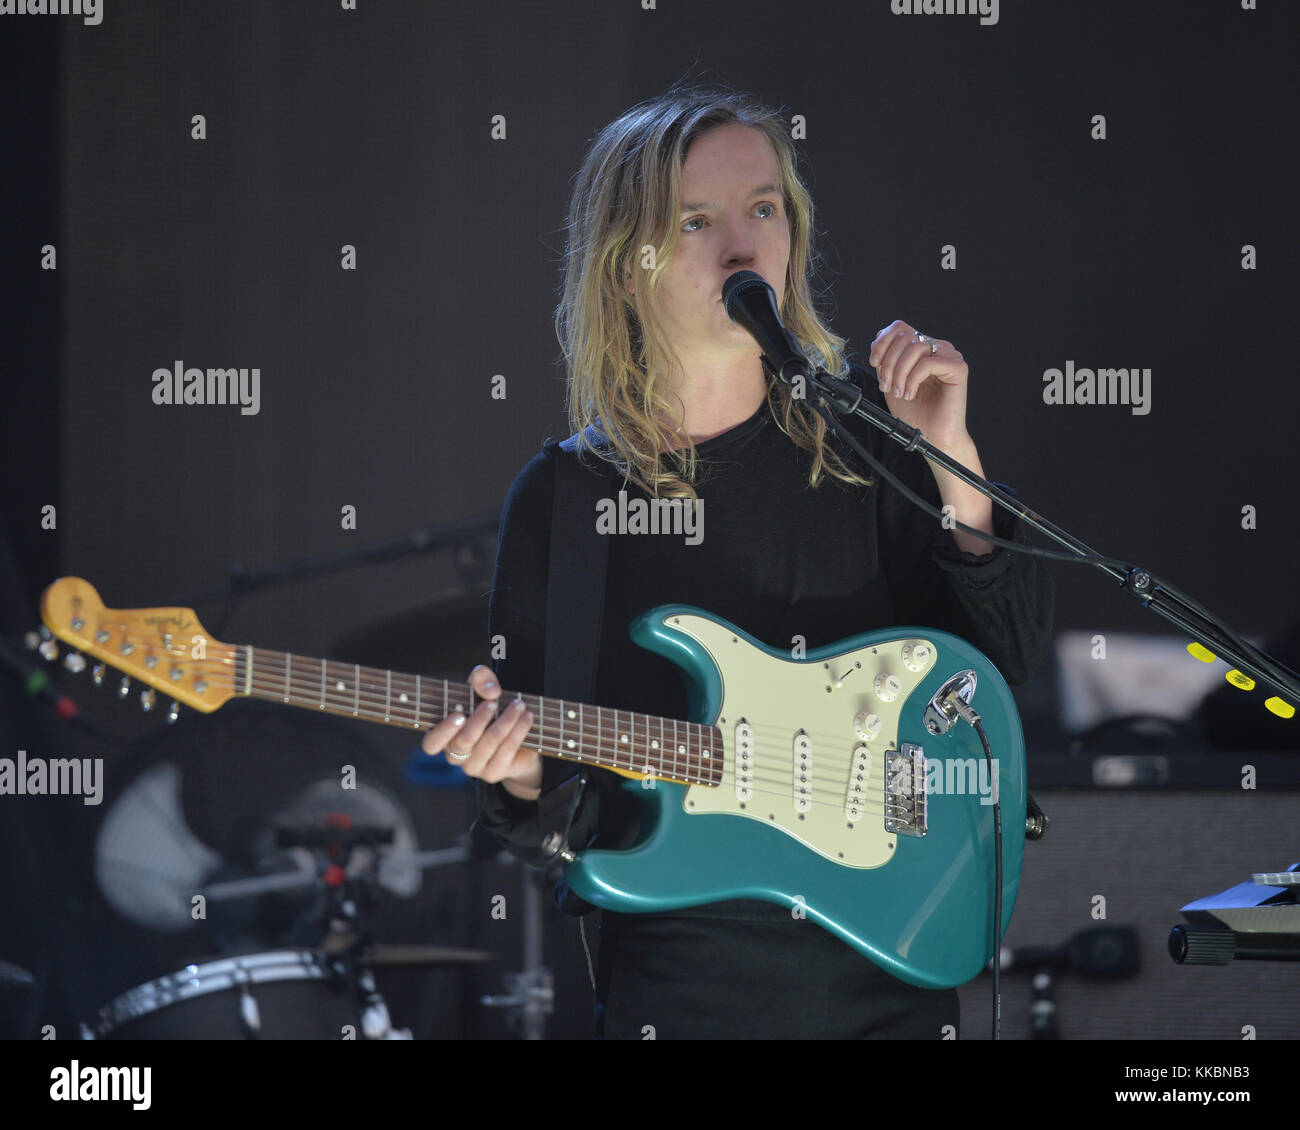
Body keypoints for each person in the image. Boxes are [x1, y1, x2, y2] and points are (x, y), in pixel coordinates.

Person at [421, 81, 1054, 1038]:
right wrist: (513, 777)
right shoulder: (568, 495)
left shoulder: (869, 439)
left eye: (763, 209)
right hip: (682, 983)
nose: (744, 246)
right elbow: (551, 821)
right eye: (696, 221)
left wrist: (954, 461)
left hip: (890, 959)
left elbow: (1000, 675)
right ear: (626, 264)